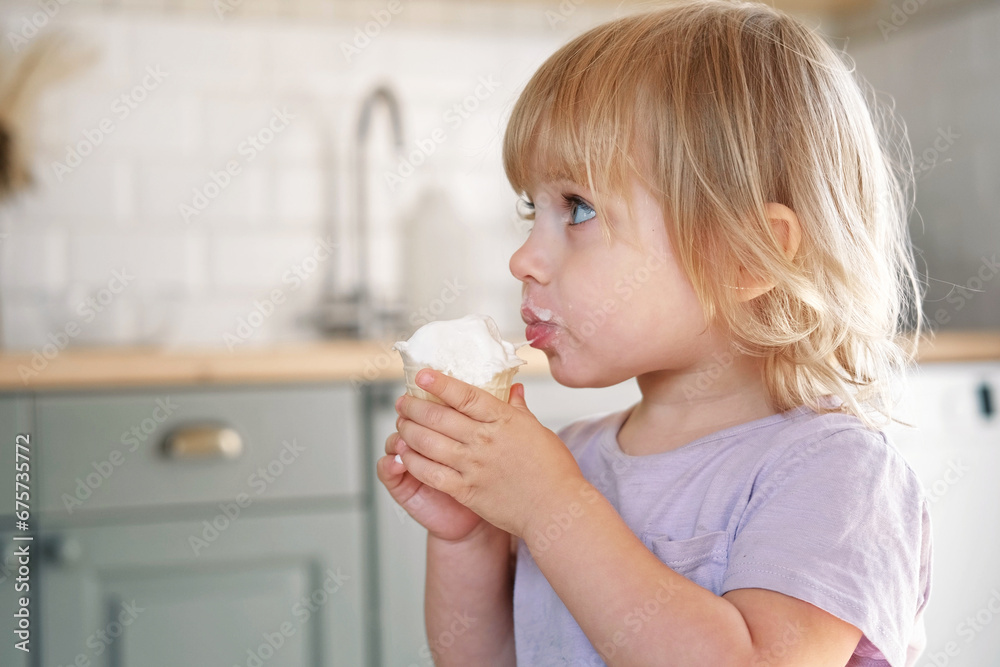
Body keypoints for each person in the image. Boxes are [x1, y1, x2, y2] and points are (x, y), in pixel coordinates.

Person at [375, 1, 933, 665]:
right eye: (533, 209)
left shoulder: (834, 474)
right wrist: (468, 539)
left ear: (746, 254)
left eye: (577, 208)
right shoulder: (574, 459)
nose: (522, 259)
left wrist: (552, 502)